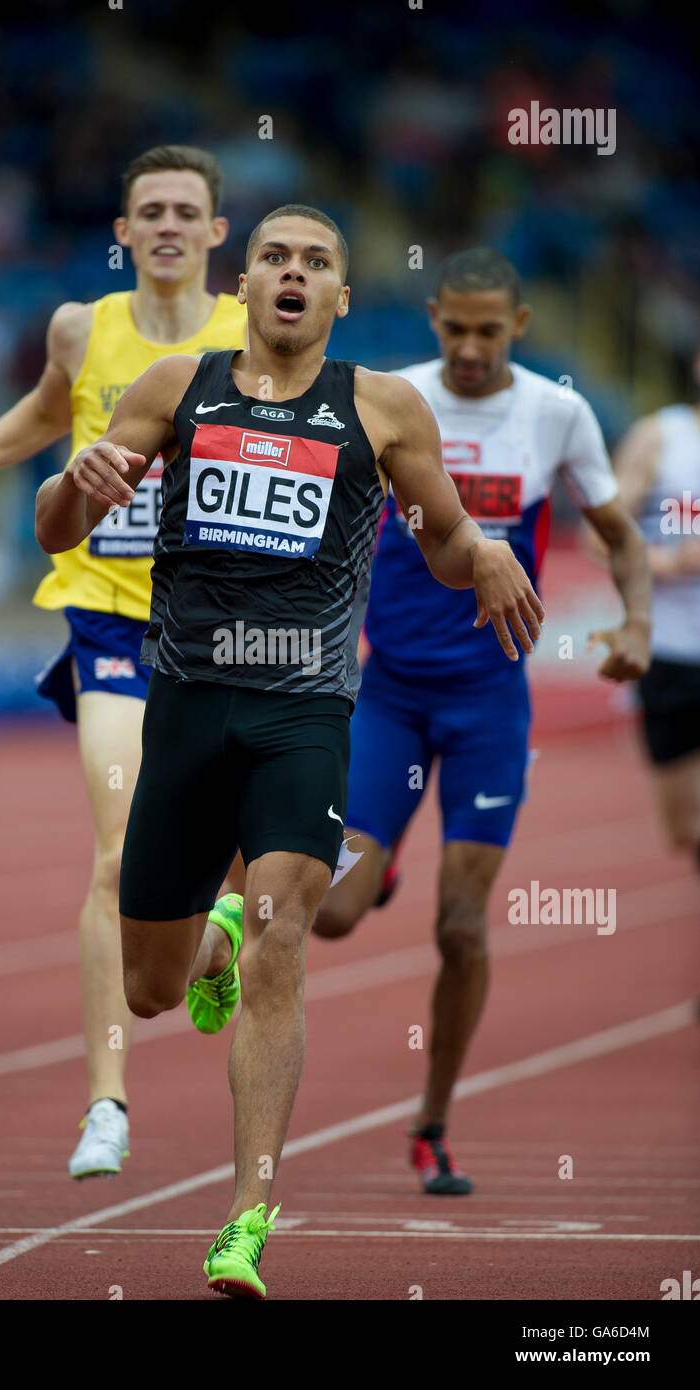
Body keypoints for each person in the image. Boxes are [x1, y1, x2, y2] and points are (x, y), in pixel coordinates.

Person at [35, 207, 545, 1298]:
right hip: (184, 710)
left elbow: (444, 536)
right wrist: (74, 484)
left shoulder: (383, 406)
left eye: (318, 262)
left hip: (304, 714)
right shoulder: (177, 385)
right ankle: (200, 951)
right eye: (276, 258)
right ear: (247, 279)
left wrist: (485, 547)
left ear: (340, 296)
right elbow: (54, 528)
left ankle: (245, 1215)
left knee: (282, 939)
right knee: (151, 987)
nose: (295, 275)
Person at [0, 146, 248, 1180]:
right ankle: (107, 1106)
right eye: (148, 211)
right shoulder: (83, 326)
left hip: (220, 632)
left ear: (219, 233)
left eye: (187, 210)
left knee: (252, 854)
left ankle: (215, 933)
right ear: (121, 231)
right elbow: (49, 406)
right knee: (116, 852)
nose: (167, 225)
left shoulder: (248, 334)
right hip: (107, 621)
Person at [312, 248, 652, 1196]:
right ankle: (372, 877)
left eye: (486, 332)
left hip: (488, 707)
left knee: (461, 929)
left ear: (520, 326)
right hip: (386, 696)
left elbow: (620, 536)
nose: (467, 349)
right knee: (330, 913)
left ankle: (430, 1125)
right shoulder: (387, 398)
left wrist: (633, 621)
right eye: (452, 328)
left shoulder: (556, 414)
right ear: (431, 317)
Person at [609, 352, 700, 872]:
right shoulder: (660, 439)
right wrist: (668, 562)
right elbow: (606, 538)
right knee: (683, 827)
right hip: (670, 654)